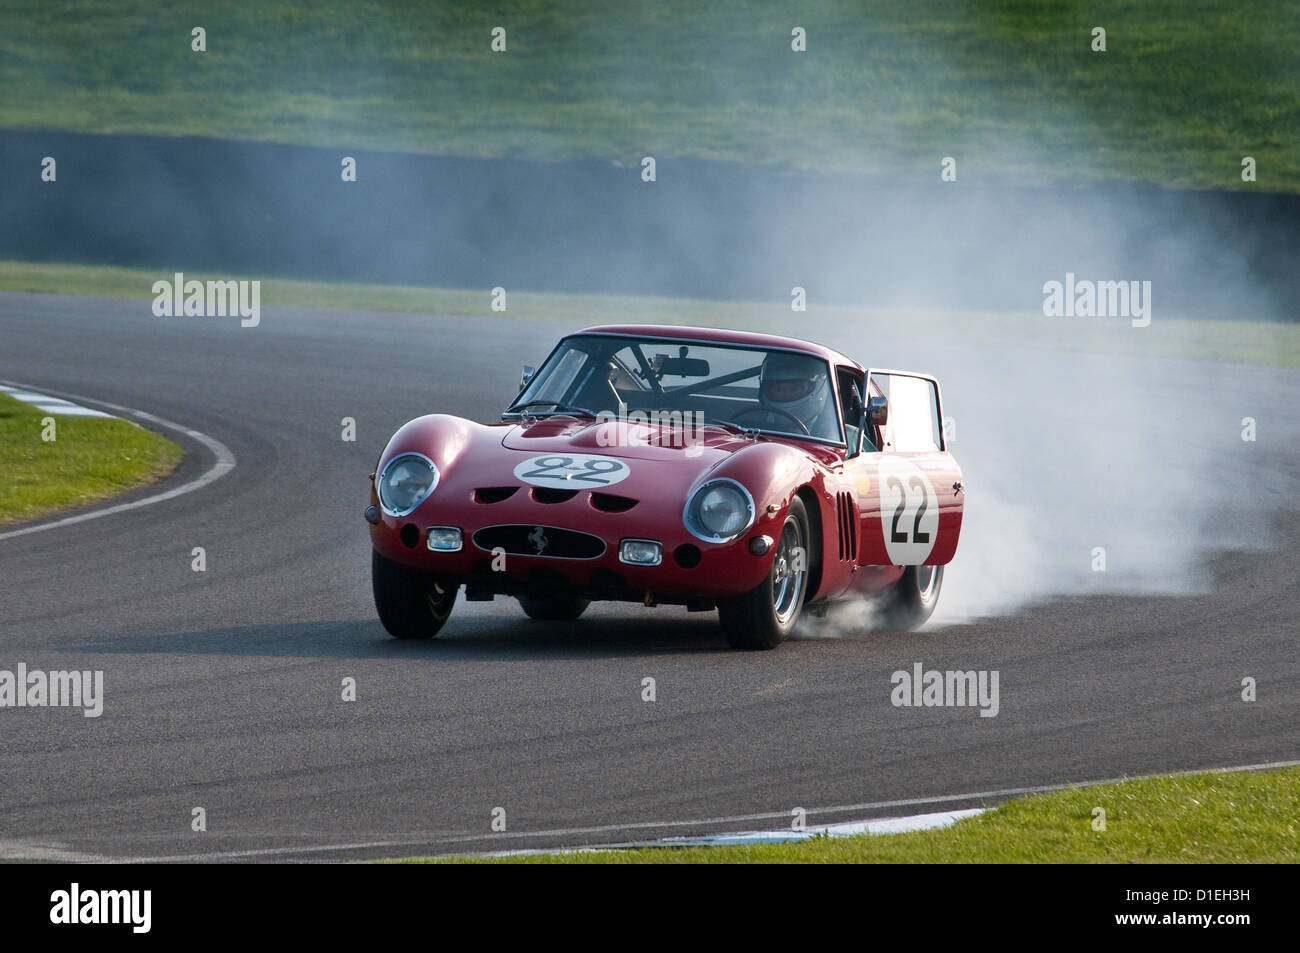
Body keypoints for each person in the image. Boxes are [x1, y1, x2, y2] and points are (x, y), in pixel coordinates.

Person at [756, 352, 839, 439]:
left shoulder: (837, 435)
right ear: (766, 390)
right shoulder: (750, 428)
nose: (786, 396)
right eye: (779, 390)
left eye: (794, 389)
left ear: (814, 389)